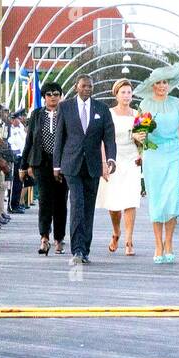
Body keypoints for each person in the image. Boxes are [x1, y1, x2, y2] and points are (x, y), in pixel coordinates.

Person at [52, 75, 117, 264]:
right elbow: (59, 138)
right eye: (84, 86)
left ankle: (85, 249)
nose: (87, 89)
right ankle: (77, 249)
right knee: (77, 205)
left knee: (88, 208)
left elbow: (109, 136)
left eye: (90, 86)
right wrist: (57, 165)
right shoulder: (65, 107)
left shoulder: (102, 109)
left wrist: (111, 159)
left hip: (93, 166)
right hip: (71, 164)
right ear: (76, 87)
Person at [134, 65, 179, 262]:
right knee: (157, 197)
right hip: (153, 153)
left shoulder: (177, 103)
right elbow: (139, 132)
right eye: (158, 82)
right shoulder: (145, 104)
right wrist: (140, 137)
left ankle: (170, 243)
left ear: (169, 84)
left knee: (172, 196)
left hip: (174, 153)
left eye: (165, 82)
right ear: (152, 85)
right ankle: (158, 244)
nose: (161, 86)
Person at [97, 79, 142, 256]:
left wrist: (142, 153)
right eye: (123, 92)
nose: (126, 96)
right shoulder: (108, 114)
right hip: (113, 159)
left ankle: (129, 241)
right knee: (114, 202)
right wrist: (104, 162)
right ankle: (116, 232)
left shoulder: (137, 114)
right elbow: (101, 139)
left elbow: (142, 139)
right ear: (116, 94)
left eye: (129, 92)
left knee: (131, 200)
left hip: (132, 159)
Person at [22, 81, 66, 255]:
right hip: (41, 162)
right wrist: (23, 165)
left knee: (60, 201)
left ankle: (59, 238)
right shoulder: (37, 115)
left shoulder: (66, 113)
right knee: (44, 201)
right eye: (49, 94)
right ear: (44, 97)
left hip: (61, 162)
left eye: (56, 94)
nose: (53, 97)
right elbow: (29, 140)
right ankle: (44, 237)